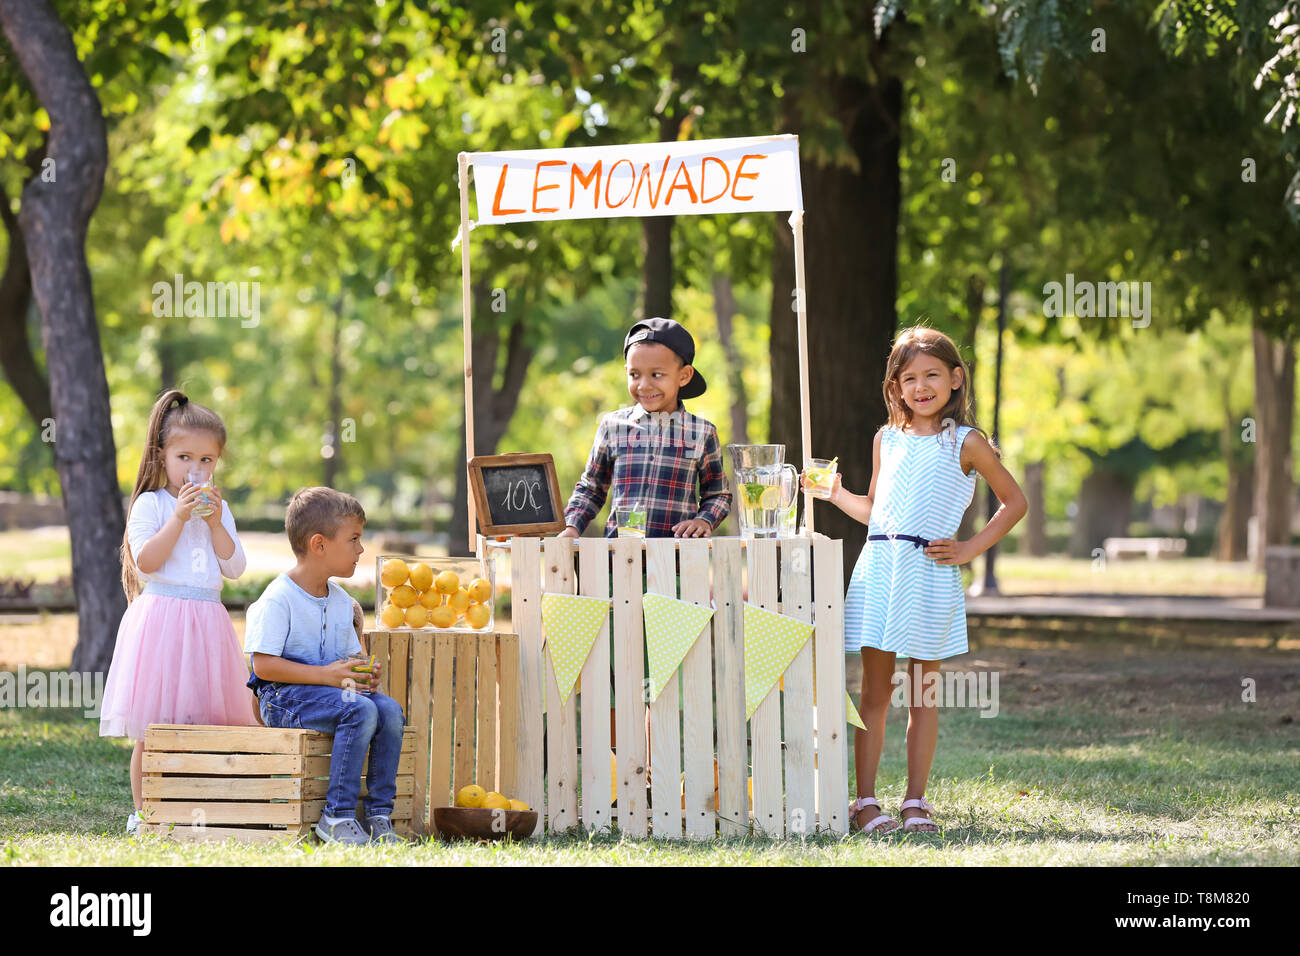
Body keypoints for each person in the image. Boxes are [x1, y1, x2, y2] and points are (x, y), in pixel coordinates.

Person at [807, 325, 1027, 833]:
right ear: (896, 386)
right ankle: (864, 802)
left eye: (932, 375)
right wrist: (837, 495)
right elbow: (878, 513)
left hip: (929, 574)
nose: (920, 386)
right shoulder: (886, 438)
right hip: (880, 568)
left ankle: (915, 801)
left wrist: (969, 549)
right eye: (909, 378)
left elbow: (1015, 502)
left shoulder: (966, 443)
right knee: (875, 693)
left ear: (955, 378)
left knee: (924, 693)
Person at [100, 389, 259, 836]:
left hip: (207, 623)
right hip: (162, 622)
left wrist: (212, 524)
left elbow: (235, 566)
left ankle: (198, 809)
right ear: (161, 455)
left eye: (207, 460)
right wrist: (178, 518)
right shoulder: (150, 504)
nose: (196, 469)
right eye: (185, 456)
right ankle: (144, 812)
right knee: (154, 727)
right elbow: (146, 561)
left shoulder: (219, 509)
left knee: (208, 722)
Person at [243, 487, 407, 845]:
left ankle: (379, 816)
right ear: (319, 544)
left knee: (390, 711)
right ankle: (337, 816)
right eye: (354, 539)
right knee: (360, 712)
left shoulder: (342, 602)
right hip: (283, 697)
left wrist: (362, 673)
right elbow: (263, 665)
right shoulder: (278, 598)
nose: (361, 549)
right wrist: (326, 676)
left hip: (330, 693)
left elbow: (350, 662)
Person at [560, 317, 732, 539]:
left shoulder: (701, 433)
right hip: (618, 559)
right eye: (634, 374)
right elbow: (591, 488)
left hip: (676, 561)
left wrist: (703, 519)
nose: (643, 385)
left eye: (656, 374)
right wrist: (572, 526)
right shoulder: (613, 427)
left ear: (684, 375)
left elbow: (718, 493)